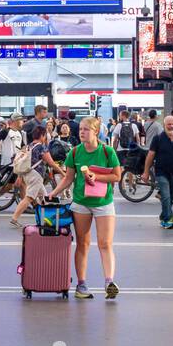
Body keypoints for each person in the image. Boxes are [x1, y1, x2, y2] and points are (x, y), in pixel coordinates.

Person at [47, 116, 121, 300]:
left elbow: (117, 176)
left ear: (96, 132)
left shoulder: (107, 151)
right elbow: (68, 178)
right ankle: (81, 285)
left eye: (86, 129)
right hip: (80, 203)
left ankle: (109, 282)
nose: (82, 132)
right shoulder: (74, 153)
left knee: (105, 243)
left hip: (104, 203)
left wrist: (97, 177)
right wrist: (53, 193)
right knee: (83, 244)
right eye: (80, 129)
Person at [143, 114, 173, 230]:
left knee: (172, 197)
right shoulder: (158, 138)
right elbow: (150, 155)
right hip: (161, 172)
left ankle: (163, 216)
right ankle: (168, 220)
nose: (171, 126)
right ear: (164, 125)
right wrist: (146, 172)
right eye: (169, 124)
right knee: (166, 196)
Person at [10, 125, 55, 228]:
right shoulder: (41, 147)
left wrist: (19, 176)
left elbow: (24, 162)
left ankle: (47, 219)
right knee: (29, 197)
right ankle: (14, 218)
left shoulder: (28, 146)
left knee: (44, 197)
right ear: (43, 135)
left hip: (28, 174)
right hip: (36, 175)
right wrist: (63, 173)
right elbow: (51, 163)